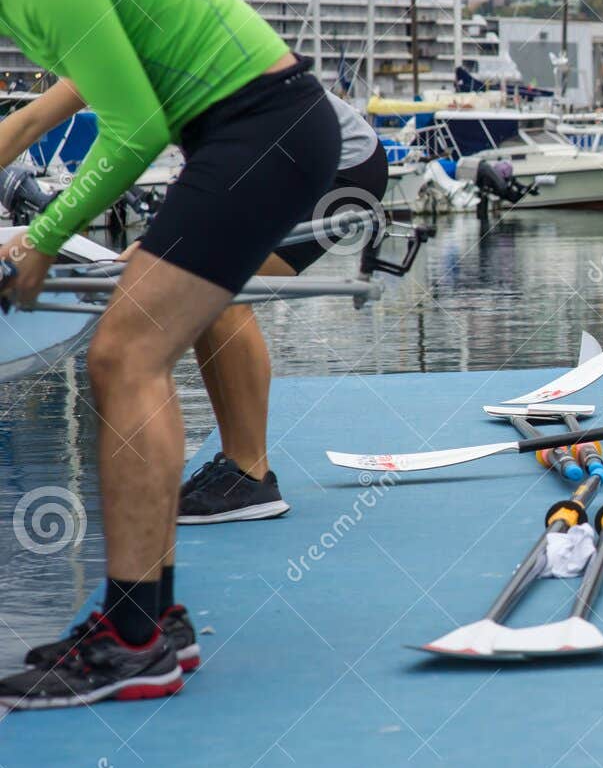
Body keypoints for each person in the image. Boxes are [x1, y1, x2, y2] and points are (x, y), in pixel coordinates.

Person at [0, 0, 341, 708]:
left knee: (126, 355)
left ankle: (131, 640)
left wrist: (43, 238)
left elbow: (134, 130)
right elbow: (71, 105)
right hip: (257, 128)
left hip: (263, 129)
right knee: (134, 353)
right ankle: (151, 619)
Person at [0, 87, 388, 525]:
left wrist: (50, 235)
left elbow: (126, 146)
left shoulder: (122, 32)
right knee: (205, 284)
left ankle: (249, 476)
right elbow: (35, 119)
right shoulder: (101, 42)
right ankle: (238, 468)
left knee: (211, 285)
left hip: (332, 165)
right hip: (273, 158)